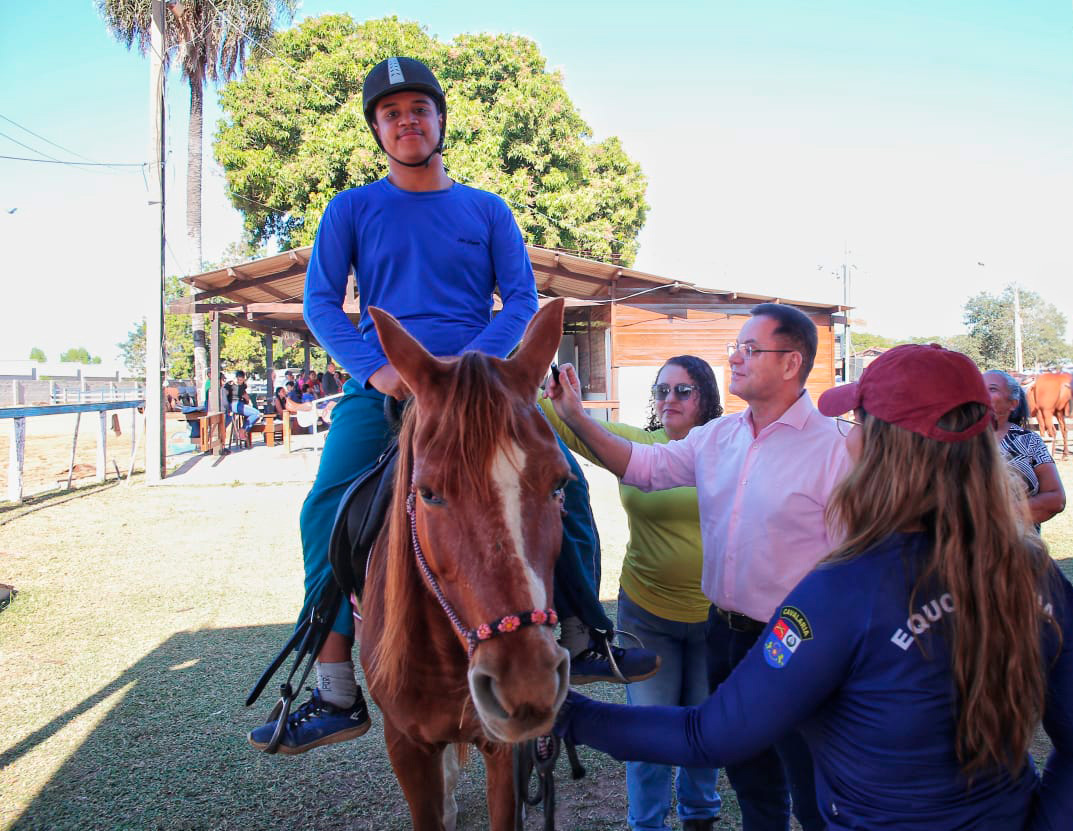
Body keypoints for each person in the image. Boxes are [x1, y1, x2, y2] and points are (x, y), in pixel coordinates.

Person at [248, 56, 650, 756]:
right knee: (324, 508)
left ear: (440, 120)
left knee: (567, 486)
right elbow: (320, 303)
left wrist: (478, 370)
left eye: (418, 109)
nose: (406, 121)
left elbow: (519, 299)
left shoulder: (488, 209)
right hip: (388, 385)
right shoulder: (349, 209)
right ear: (377, 129)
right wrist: (378, 371)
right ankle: (334, 685)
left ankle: (584, 632)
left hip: (484, 386)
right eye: (390, 113)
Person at [555, 343, 1073, 831]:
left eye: (858, 422)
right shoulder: (1031, 570)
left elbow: (710, 735)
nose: (849, 437)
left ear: (886, 449)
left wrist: (565, 713)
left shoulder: (844, 591)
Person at [546, 303, 850, 831]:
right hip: (725, 634)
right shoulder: (718, 438)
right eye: (736, 347)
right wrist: (574, 416)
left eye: (750, 349)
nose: (735, 358)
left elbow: (854, 562)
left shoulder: (836, 447)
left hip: (796, 642)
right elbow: (643, 465)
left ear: (791, 363)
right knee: (751, 778)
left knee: (811, 786)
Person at [541, 355, 724, 831]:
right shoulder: (639, 445)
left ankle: (700, 817)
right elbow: (569, 426)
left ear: (706, 396)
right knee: (647, 732)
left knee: (705, 727)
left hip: (716, 616)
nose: (668, 399)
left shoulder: (727, 446)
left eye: (682, 390)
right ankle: (647, 824)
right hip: (648, 613)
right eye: (661, 390)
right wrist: (542, 382)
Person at [984, 370, 1065, 528]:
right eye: (979, 388)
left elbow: (1056, 499)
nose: (982, 394)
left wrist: (997, 514)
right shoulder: (960, 440)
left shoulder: (1029, 441)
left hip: (1020, 540)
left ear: (1013, 404)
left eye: (992, 389)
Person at [227, 370, 262, 440]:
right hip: (234, 404)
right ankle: (243, 430)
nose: (239, 382)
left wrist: (248, 401)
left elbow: (246, 396)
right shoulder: (230, 385)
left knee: (257, 414)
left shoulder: (243, 386)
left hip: (240, 403)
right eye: (238, 380)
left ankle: (244, 430)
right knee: (256, 413)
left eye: (241, 380)